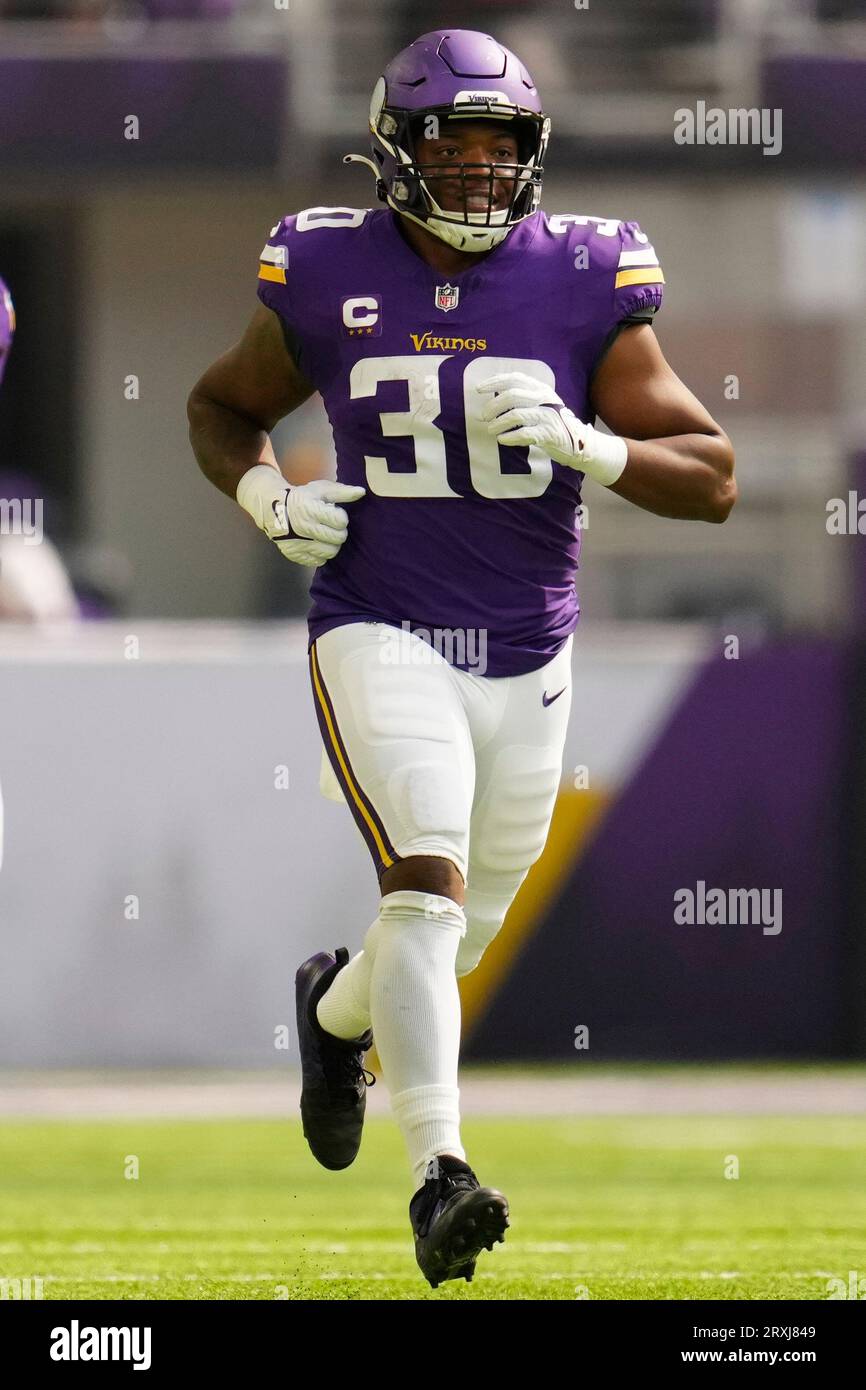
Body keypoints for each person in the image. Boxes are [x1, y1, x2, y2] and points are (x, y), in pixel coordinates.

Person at [187, 28, 736, 1290]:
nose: (483, 172)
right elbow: (220, 407)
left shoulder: (588, 274)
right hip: (378, 621)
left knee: (460, 925)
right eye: (455, 145)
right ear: (397, 152)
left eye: (502, 148)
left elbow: (710, 478)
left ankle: (334, 1017)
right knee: (425, 893)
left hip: (527, 651)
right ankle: (440, 1171)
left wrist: (587, 444)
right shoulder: (324, 262)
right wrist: (266, 494)